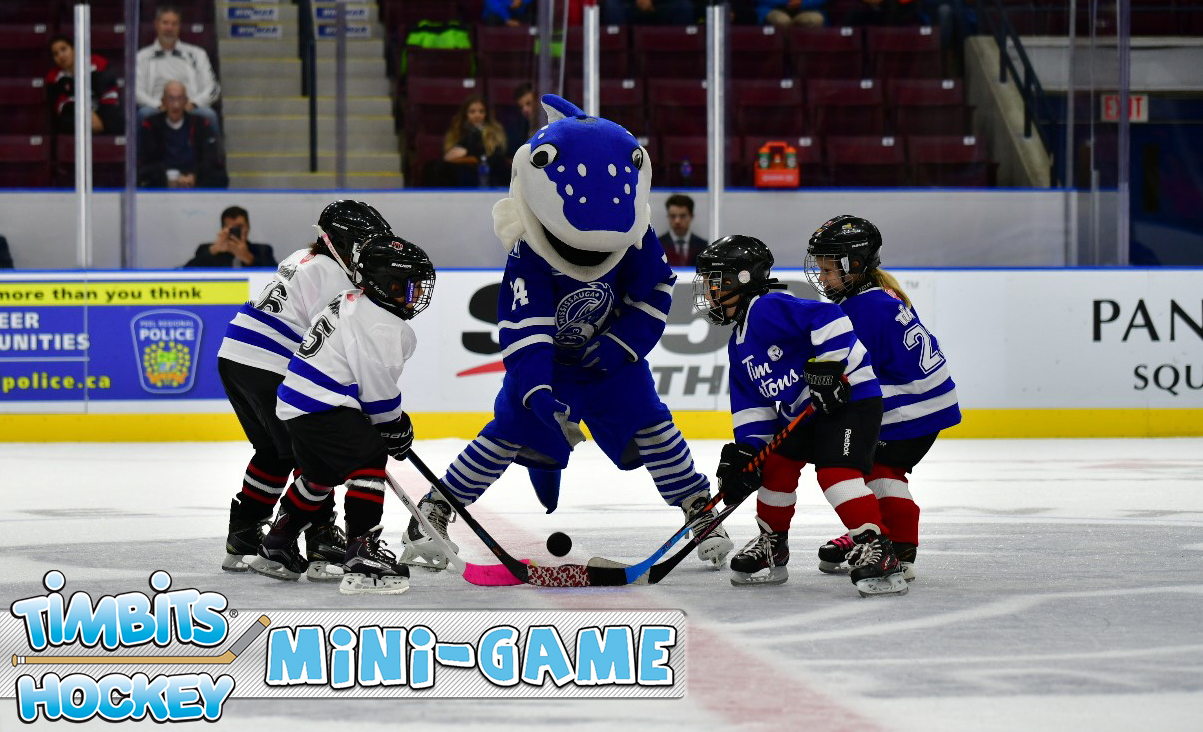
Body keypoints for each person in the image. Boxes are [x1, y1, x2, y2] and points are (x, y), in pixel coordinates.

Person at [401, 94, 733, 573]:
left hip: (611, 362)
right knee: (507, 433)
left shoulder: (636, 235)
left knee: (653, 424)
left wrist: (623, 344)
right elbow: (526, 327)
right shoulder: (529, 252)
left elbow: (657, 288)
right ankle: (436, 506)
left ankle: (699, 509)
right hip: (551, 368)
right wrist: (536, 391)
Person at [694, 234, 907, 596]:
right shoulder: (738, 344)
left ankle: (877, 546)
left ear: (741, 281)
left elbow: (830, 316)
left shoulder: (768, 307)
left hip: (848, 401)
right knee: (774, 464)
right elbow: (753, 407)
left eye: (717, 282)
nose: (711, 292)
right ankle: (773, 544)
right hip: (805, 413)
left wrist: (828, 366)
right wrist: (748, 454)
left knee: (836, 475)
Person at [253, 234, 437, 597]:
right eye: (407, 287)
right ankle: (361, 551)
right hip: (323, 404)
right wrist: (395, 425)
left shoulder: (352, 300)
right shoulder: (383, 323)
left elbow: (357, 375)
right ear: (386, 284)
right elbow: (377, 390)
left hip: (297, 403)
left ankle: (277, 542)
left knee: (320, 475)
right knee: (369, 458)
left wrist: (388, 422)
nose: (415, 296)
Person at [218, 200, 394, 578]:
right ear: (342, 243)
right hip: (270, 362)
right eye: (362, 244)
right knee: (313, 449)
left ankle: (244, 535)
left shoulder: (303, 257)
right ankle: (321, 535)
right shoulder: (336, 277)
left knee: (272, 452)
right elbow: (330, 344)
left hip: (234, 356)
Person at [803, 215, 960, 582]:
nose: (823, 279)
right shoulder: (881, 294)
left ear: (855, 265)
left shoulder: (861, 309)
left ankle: (897, 546)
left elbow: (843, 367)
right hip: (927, 401)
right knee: (866, 462)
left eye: (830, 270)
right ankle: (874, 529)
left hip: (911, 408)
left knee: (876, 469)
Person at [135, 5, 221, 132]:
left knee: (209, 115)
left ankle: (213, 153)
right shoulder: (142, 56)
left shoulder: (197, 53)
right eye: (165, 23)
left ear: (179, 26)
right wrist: (159, 105)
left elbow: (212, 89)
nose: (169, 28)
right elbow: (136, 92)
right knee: (143, 114)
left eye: (174, 24)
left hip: (190, 106)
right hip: (157, 106)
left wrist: (193, 103)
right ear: (156, 24)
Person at [137, 81, 227, 189]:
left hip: (192, 175)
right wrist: (168, 178)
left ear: (186, 101)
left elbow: (209, 158)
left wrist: (194, 177)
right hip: (164, 177)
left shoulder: (200, 124)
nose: (176, 105)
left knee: (220, 177)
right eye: (171, 99)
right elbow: (148, 159)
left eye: (180, 99)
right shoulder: (151, 124)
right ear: (163, 101)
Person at [45, 36, 123, 135]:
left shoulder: (98, 64)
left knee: (116, 120)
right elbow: (61, 105)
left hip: (103, 112)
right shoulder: (54, 77)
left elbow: (110, 92)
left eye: (63, 49)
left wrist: (100, 119)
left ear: (73, 49)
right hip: (78, 117)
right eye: (56, 54)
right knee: (65, 123)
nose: (61, 55)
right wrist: (87, 114)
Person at [442, 94, 509, 188]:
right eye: (472, 112)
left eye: (481, 111)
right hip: (460, 184)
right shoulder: (455, 133)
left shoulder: (495, 132)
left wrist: (470, 156)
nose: (477, 115)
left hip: (491, 182)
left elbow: (496, 159)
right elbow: (448, 158)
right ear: (465, 114)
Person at [184, 206, 276, 268]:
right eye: (230, 228)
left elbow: (277, 278)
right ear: (223, 229)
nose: (235, 231)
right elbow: (185, 272)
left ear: (248, 227)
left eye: (239, 227)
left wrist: (248, 258)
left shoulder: (262, 250)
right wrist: (214, 250)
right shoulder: (208, 250)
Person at [658, 193, 707, 266]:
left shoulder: (702, 246)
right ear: (668, 216)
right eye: (673, 216)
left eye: (682, 216)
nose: (677, 221)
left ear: (691, 216)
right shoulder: (658, 245)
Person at [504, 83, 537, 158]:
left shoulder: (551, 122)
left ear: (537, 101)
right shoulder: (516, 130)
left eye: (528, 103)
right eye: (521, 107)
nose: (525, 109)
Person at [601, 0, 696, 24]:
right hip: (630, 5)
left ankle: (681, 61)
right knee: (612, 5)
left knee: (683, 6)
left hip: (660, 5)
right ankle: (618, 62)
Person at [757, 0, 827, 28]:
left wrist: (803, 2)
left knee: (815, 20)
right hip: (773, 8)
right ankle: (781, 57)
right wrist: (787, 2)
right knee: (782, 21)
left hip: (806, 9)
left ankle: (802, 57)